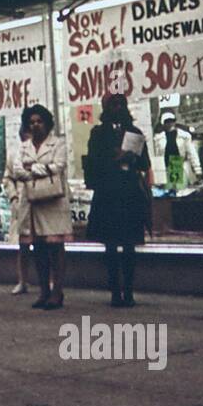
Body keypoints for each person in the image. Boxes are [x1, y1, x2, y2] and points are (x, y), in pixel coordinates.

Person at [85, 93, 152, 308]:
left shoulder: (134, 132)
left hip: (130, 192)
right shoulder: (98, 133)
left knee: (130, 245)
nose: (117, 108)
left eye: (120, 104)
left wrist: (132, 158)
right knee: (111, 246)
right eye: (112, 104)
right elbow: (92, 163)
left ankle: (129, 292)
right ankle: (115, 291)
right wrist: (114, 158)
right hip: (108, 194)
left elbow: (145, 163)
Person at [11, 104, 72, 310]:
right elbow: (17, 170)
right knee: (37, 248)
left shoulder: (58, 143)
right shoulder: (23, 146)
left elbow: (59, 166)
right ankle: (43, 290)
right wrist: (41, 170)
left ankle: (57, 291)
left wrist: (33, 169)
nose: (35, 125)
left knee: (55, 247)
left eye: (39, 121)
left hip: (53, 201)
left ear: (47, 123)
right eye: (32, 122)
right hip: (31, 201)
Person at [2, 121, 34, 294]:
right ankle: (22, 280)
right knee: (23, 244)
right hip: (22, 201)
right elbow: (7, 178)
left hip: (42, 199)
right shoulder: (14, 154)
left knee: (46, 243)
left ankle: (51, 280)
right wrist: (13, 196)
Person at [152, 111, 202, 189]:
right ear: (163, 123)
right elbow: (157, 155)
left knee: (179, 191)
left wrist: (197, 169)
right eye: (167, 121)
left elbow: (192, 153)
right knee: (169, 192)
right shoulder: (158, 138)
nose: (169, 123)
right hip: (165, 167)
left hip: (178, 164)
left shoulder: (184, 136)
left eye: (172, 121)